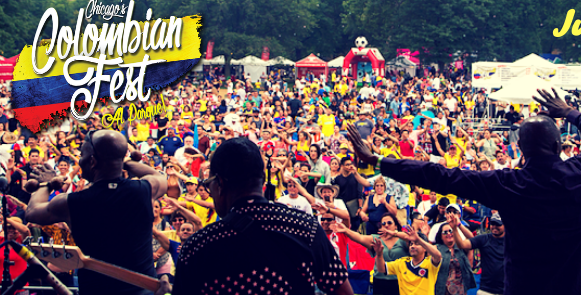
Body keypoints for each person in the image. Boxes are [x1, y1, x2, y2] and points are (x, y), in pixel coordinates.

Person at [344, 88, 581, 294]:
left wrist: (378, 160)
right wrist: (569, 111)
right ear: (559, 146)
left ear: (520, 150)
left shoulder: (508, 184)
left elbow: (441, 176)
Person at [170, 138, 353, 295]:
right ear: (262, 180)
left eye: (209, 185)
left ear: (221, 184)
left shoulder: (200, 245)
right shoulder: (306, 227)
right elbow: (342, 291)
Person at [25, 130, 167, 295]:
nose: (80, 159)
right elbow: (157, 175)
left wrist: (46, 185)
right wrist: (124, 161)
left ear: (92, 161)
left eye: (82, 154)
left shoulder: (71, 202)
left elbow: (32, 212)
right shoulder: (143, 191)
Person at [374, 227, 442, 295]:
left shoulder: (430, 263)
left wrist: (418, 239)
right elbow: (381, 269)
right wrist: (379, 255)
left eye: (416, 244)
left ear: (425, 249)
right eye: (411, 244)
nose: (412, 246)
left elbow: (438, 256)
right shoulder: (402, 263)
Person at [452, 212, 505, 295]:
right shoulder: (484, 239)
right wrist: (454, 228)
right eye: (492, 224)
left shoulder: (511, 242)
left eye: (498, 224)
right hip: (486, 290)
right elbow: (462, 245)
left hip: (505, 290)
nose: (494, 227)